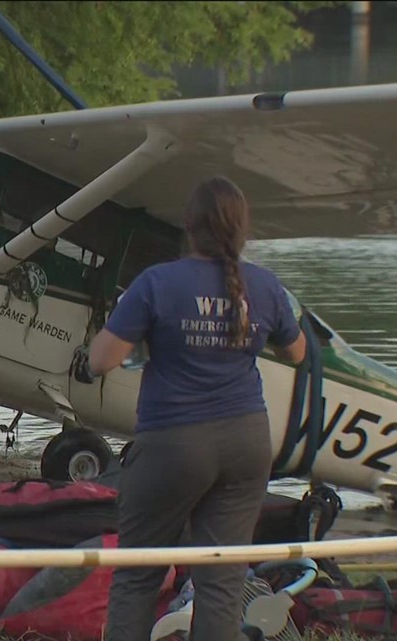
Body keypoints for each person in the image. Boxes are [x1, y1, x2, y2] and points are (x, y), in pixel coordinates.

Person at [77, 176, 308, 641]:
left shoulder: (157, 283)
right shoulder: (263, 286)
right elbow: (299, 353)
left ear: (188, 225)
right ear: (242, 230)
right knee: (221, 581)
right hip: (246, 442)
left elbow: (102, 360)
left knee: (139, 571)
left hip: (174, 443)